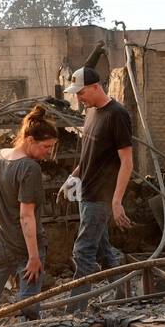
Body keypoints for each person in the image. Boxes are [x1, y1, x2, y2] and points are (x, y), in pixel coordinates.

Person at [0, 105, 59, 327]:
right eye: (46, 146)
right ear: (29, 139)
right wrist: (34, 257)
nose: (49, 152)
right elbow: (26, 217)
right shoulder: (29, 168)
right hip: (23, 248)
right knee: (29, 308)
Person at [60, 66, 133, 311]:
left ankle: (75, 312)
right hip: (85, 193)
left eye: (81, 93)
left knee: (82, 252)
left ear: (95, 87)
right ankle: (125, 298)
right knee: (103, 251)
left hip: (100, 198)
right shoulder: (91, 112)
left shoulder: (117, 114)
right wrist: (71, 178)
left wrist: (116, 201)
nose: (78, 98)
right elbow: (89, 155)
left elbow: (127, 162)